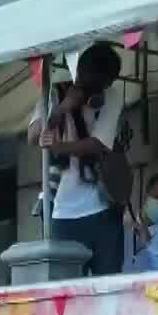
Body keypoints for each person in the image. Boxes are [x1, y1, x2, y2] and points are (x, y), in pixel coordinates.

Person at [28, 42, 130, 275]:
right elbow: (33, 135)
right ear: (79, 74)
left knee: (108, 283)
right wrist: (63, 108)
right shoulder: (54, 92)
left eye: (102, 85)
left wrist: (60, 148)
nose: (97, 90)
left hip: (102, 207)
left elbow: (97, 145)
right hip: (62, 212)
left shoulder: (111, 97)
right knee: (65, 289)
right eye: (91, 82)